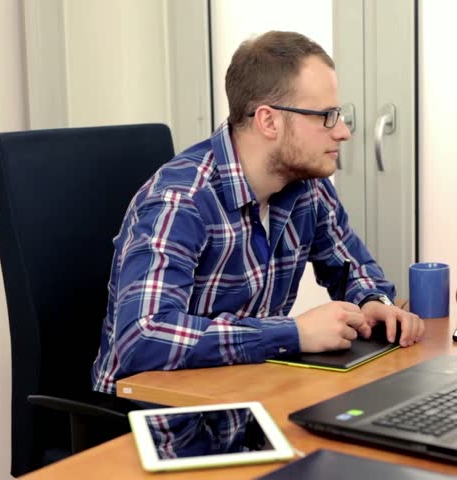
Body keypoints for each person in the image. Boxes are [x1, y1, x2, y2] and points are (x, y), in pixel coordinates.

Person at [92, 31, 424, 395]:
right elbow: (142, 337)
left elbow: (349, 265)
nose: (343, 132)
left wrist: (373, 301)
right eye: (327, 116)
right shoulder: (180, 199)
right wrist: (293, 333)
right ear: (268, 121)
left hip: (249, 396)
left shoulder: (305, 186)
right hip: (166, 425)